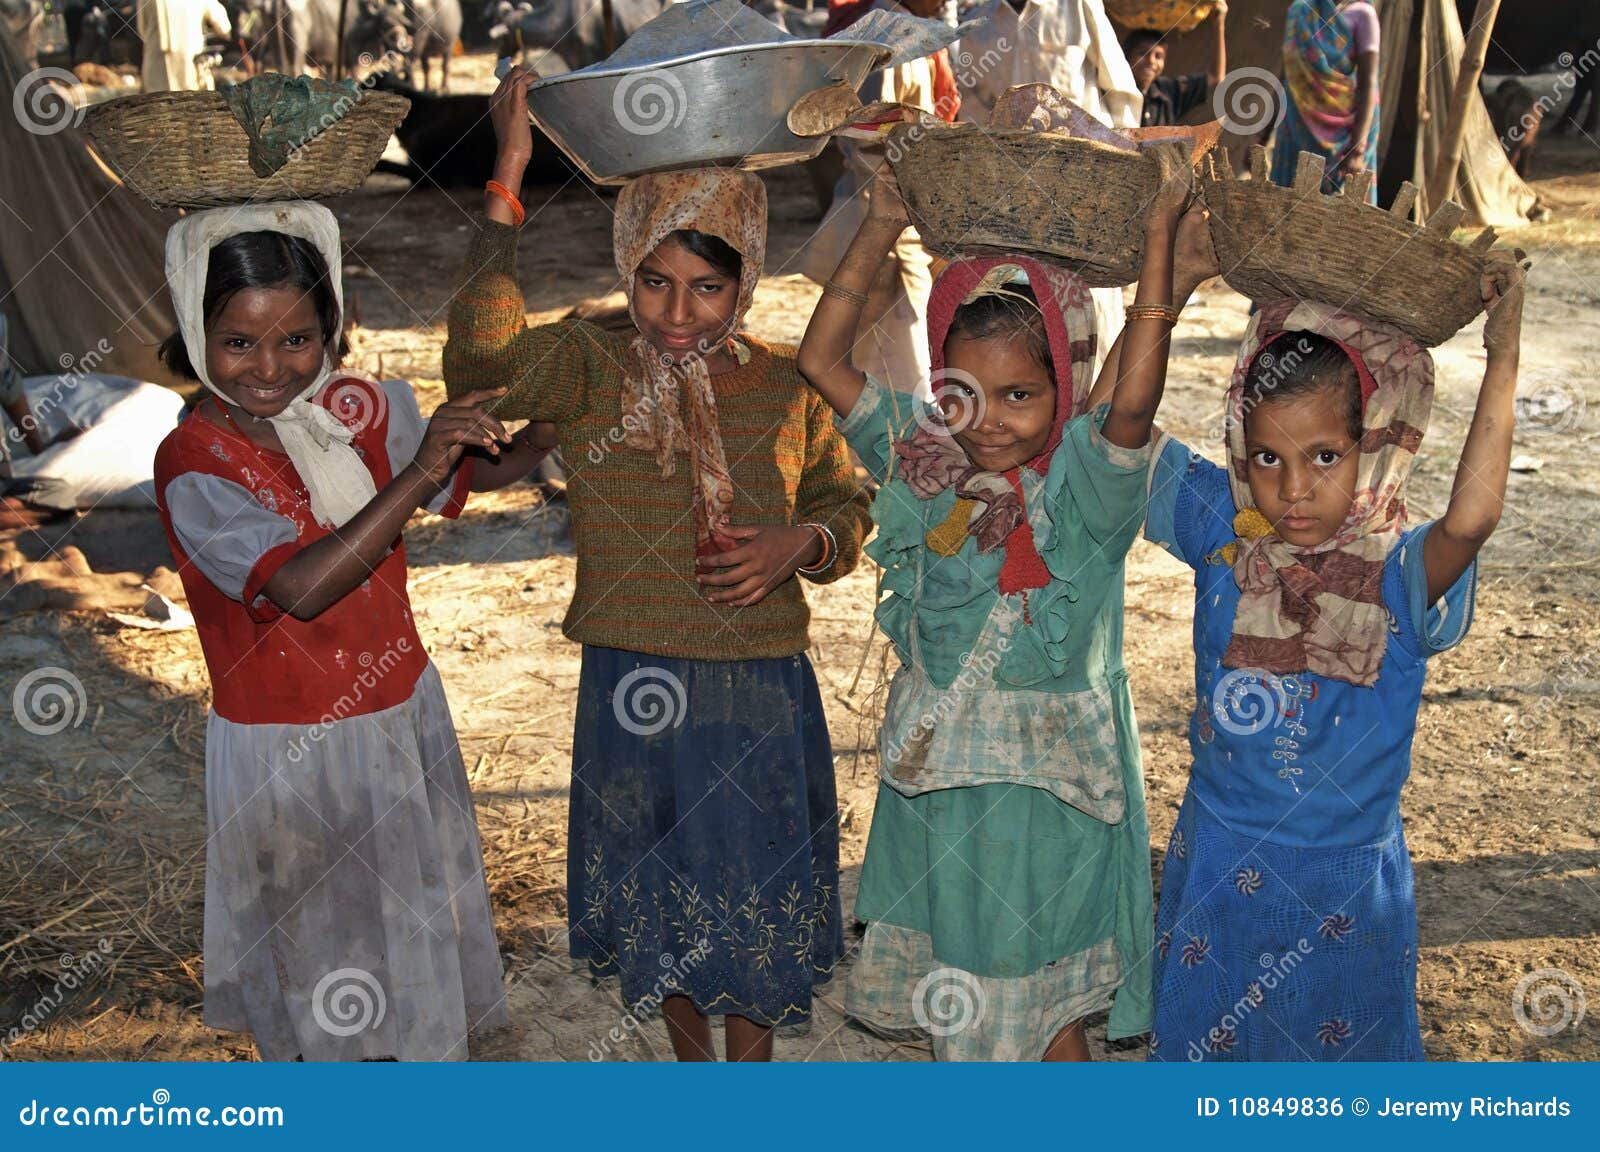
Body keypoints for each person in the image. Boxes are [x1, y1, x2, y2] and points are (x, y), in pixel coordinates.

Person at [443, 66, 873, 1062]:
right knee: (662, 888)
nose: (677, 314)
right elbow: (478, 360)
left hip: (759, 690)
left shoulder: (785, 385)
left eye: (708, 286)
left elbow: (846, 505)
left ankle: (749, 1074)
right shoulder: (590, 366)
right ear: (625, 267)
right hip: (634, 687)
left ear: (747, 278)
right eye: (654, 281)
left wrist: (797, 546)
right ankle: (692, 1074)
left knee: (755, 883)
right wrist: (507, 170)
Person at [796, 164, 1201, 1059]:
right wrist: (882, 222)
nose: (988, 421)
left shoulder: (1086, 488)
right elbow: (820, 360)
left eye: (1022, 394)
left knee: (1041, 1007)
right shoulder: (921, 462)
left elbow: (1134, 401)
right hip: (939, 786)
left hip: (1048, 801)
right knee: (967, 1001)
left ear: (1068, 390)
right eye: (963, 392)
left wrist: (1160, 257)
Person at [151, 202, 543, 1060]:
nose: (269, 368)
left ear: (332, 327)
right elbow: (299, 587)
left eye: (296, 340)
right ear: (193, 331)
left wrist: (556, 412)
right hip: (290, 753)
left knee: (403, 940)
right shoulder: (194, 462)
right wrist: (418, 468)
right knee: (322, 964)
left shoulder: (356, 409)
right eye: (237, 342)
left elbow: (487, 462)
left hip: (397, 715)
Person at [1142, 247, 1526, 1060]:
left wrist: (1505, 355)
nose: (1293, 491)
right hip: (1219, 852)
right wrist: (1167, 292)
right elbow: (1112, 439)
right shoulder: (1226, 531)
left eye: (1325, 457)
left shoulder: (1397, 573)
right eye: (1267, 459)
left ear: (1378, 443)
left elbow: (1472, 521)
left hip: (1344, 880)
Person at [953, 0, 1142, 376]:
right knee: (1027, 313)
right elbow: (970, 109)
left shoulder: (1077, 7)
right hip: (1012, 206)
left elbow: (1121, 93)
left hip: (1084, 198)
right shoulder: (977, 23)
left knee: (1094, 312)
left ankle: (1097, 414)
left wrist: (1122, 172)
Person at [796, 0, 959, 400]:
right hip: (887, 218)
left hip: (898, 214)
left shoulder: (909, 33)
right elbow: (874, 130)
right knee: (903, 362)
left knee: (877, 355)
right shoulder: (891, 44)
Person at [1270, 0, 1380, 200]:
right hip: (1297, 127)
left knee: (1342, 213)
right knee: (1287, 202)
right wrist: (1263, 133)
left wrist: (1357, 150)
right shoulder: (1302, 11)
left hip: (1347, 133)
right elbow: (1288, 73)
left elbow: (1368, 83)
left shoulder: (1363, 15)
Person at [1125, 0, 1228, 128]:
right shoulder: (1114, 88)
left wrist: (1219, 24)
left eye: (1158, 56)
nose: (1151, 61)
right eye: (1143, 54)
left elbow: (1215, 77)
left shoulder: (1169, 92)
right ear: (1126, 57)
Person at [136, 0, 229, 93]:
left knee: (156, 101)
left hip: (155, 62)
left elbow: (142, 28)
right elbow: (223, 26)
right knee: (192, 101)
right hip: (190, 61)